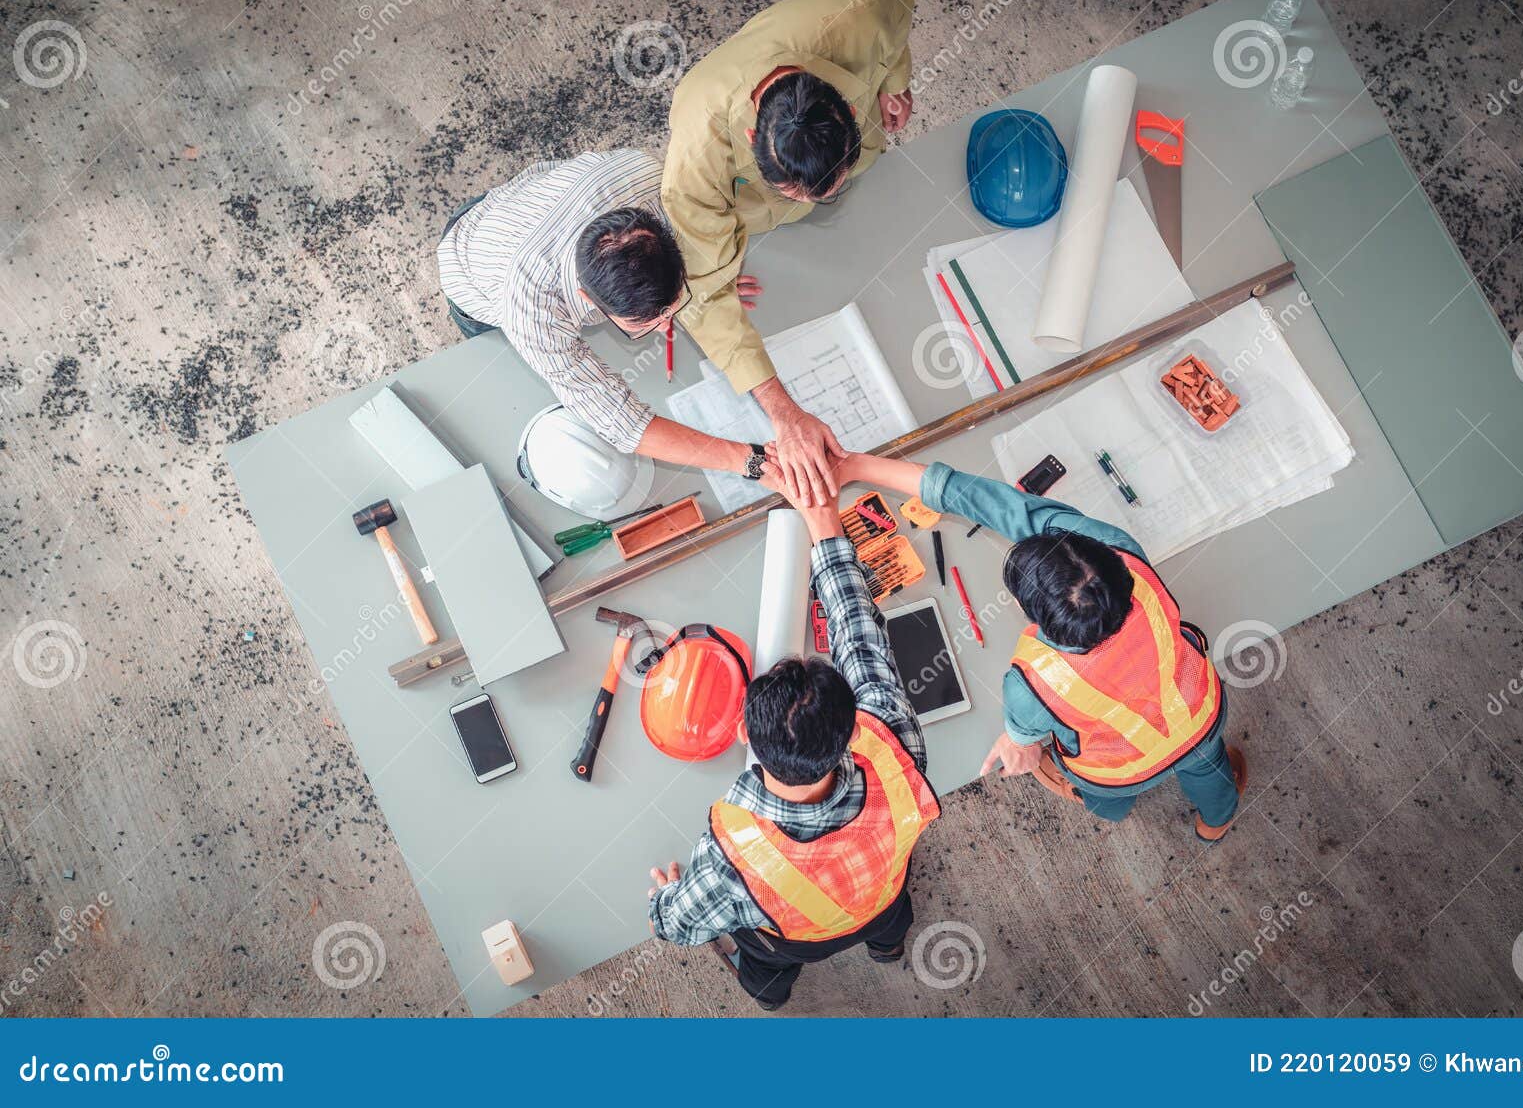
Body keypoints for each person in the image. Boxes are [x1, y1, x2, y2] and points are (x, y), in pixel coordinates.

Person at [835, 453, 1248, 840]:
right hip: (1199, 714)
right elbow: (1002, 504)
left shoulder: (1034, 680)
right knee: (1209, 772)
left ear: (1024, 609)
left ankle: (1107, 807)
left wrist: (1015, 744)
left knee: (1107, 795)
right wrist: (854, 464)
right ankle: (1216, 821)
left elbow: (1023, 737)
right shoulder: (1121, 552)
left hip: (1120, 768)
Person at [646, 496, 939, 1010]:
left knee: (764, 967)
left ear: (742, 734)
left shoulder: (729, 857)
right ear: (850, 730)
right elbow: (858, 632)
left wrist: (666, 896)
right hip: (884, 897)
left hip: (793, 941)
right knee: (891, 920)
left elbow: (675, 926)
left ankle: (771, 999)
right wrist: (825, 522)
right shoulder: (892, 738)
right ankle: (888, 948)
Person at [661, 0, 916, 506]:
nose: (808, 205)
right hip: (763, 236)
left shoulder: (856, 11)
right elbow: (703, 291)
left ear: (845, 110)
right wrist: (784, 412)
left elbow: (896, 10)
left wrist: (894, 78)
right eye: (795, 193)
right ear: (754, 138)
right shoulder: (698, 145)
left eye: (824, 192)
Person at [436, 148, 799, 497]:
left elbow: (696, 246)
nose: (665, 329)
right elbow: (623, 424)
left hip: (531, 195)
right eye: (642, 325)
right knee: (482, 344)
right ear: (588, 300)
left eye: (673, 308)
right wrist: (753, 462)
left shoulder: (652, 177)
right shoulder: (529, 308)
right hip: (470, 257)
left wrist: (707, 280)